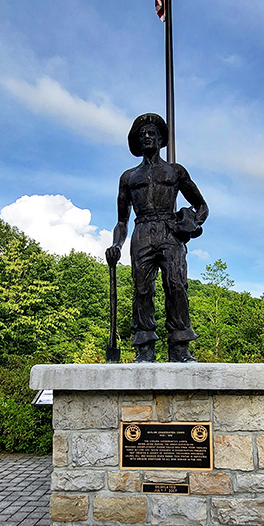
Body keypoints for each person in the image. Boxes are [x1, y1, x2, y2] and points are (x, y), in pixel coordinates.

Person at [106, 113, 208, 363]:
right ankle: (145, 347)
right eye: (142, 135)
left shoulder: (175, 171)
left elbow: (201, 205)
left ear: (161, 139)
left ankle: (180, 347)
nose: (147, 137)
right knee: (141, 290)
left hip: (169, 230)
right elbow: (122, 221)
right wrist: (116, 245)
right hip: (142, 231)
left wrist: (191, 224)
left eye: (152, 133)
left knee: (176, 285)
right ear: (137, 143)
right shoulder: (128, 177)